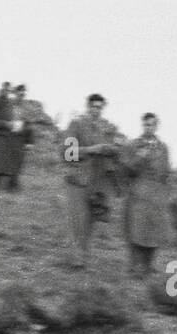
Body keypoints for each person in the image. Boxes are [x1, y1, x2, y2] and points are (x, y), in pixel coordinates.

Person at [59, 93, 125, 266]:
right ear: (88, 106)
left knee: (89, 222)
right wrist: (91, 149)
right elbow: (67, 153)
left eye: (100, 107)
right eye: (94, 106)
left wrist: (112, 149)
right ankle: (76, 260)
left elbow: (110, 154)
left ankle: (82, 258)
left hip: (96, 183)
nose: (97, 110)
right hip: (77, 180)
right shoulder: (77, 124)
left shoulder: (104, 129)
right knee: (77, 221)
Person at [119, 112, 173, 278]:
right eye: (146, 124)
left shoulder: (163, 147)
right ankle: (135, 267)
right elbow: (126, 170)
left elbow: (166, 172)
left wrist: (165, 192)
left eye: (152, 125)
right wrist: (139, 158)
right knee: (136, 231)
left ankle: (149, 266)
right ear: (142, 125)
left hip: (157, 196)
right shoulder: (133, 145)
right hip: (139, 193)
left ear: (157, 126)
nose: (149, 128)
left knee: (154, 231)